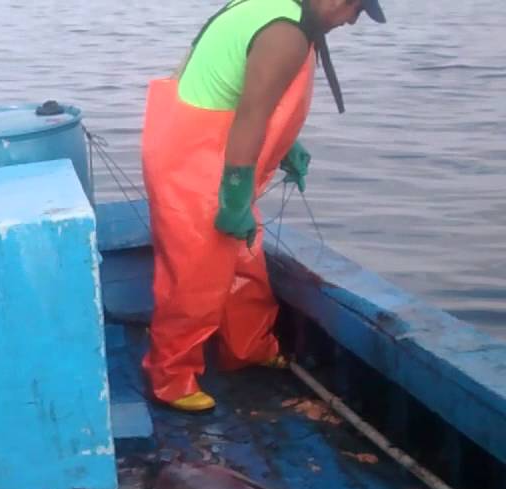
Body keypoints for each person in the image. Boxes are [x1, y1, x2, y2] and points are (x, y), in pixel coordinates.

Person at [140, 0, 386, 412]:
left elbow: (239, 90)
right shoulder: (286, 31)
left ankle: (248, 346)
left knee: (244, 257)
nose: (348, 22)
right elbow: (252, 116)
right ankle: (171, 377)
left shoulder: (276, 8)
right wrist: (235, 194)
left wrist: (286, 144)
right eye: (353, 11)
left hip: (217, 150)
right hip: (192, 158)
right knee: (194, 276)